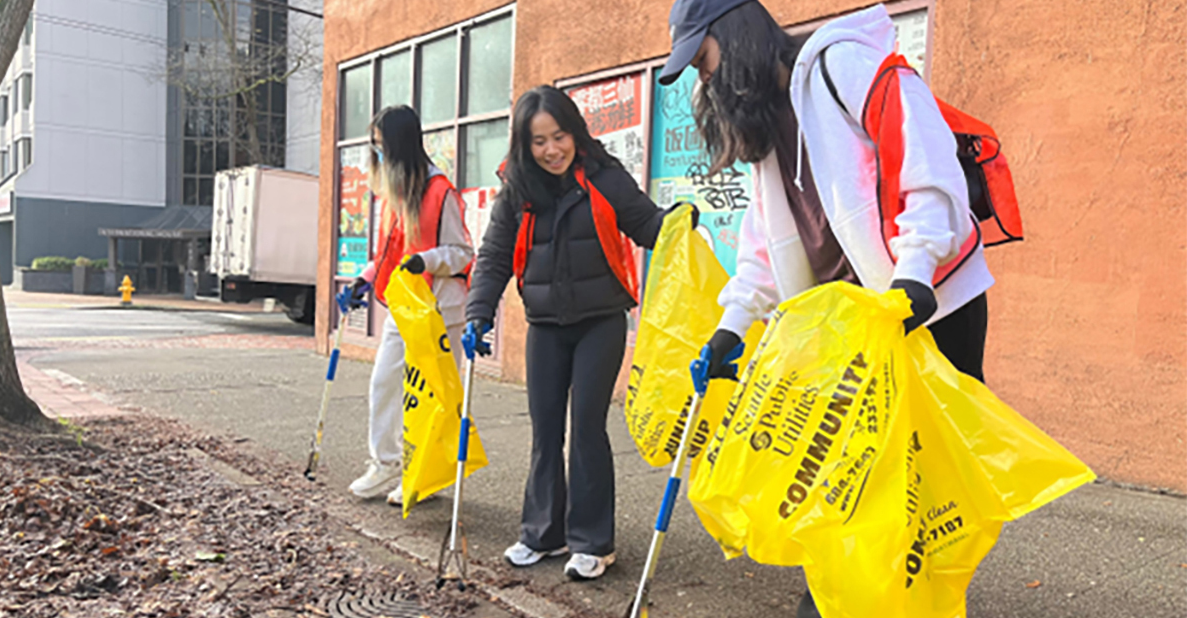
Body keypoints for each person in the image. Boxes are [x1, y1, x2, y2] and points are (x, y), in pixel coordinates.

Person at [660, 1, 993, 615]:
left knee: (917, 486)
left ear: (736, 37)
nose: (706, 83)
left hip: (929, 307)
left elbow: (924, 161)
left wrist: (915, 273)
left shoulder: (846, 67)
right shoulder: (763, 130)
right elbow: (762, 246)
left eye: (704, 63)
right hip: (849, 326)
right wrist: (733, 326)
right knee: (841, 479)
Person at [461, 85, 694, 581]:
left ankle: (593, 542)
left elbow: (648, 224)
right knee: (546, 431)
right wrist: (478, 312)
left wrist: (678, 224)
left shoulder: (605, 179)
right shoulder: (518, 188)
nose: (551, 150)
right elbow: (495, 254)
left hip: (600, 322)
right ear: (525, 146)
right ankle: (543, 533)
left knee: (586, 428)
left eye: (559, 136)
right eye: (538, 141)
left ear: (575, 133)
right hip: (545, 326)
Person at [347, 105, 474, 506]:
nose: (377, 154)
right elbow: (391, 250)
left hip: (440, 309)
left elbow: (463, 252)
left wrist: (429, 260)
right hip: (405, 306)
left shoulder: (441, 191)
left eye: (382, 146)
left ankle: (424, 473)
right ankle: (385, 462)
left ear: (400, 146)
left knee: (432, 396)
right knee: (385, 383)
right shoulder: (395, 193)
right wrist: (365, 279)